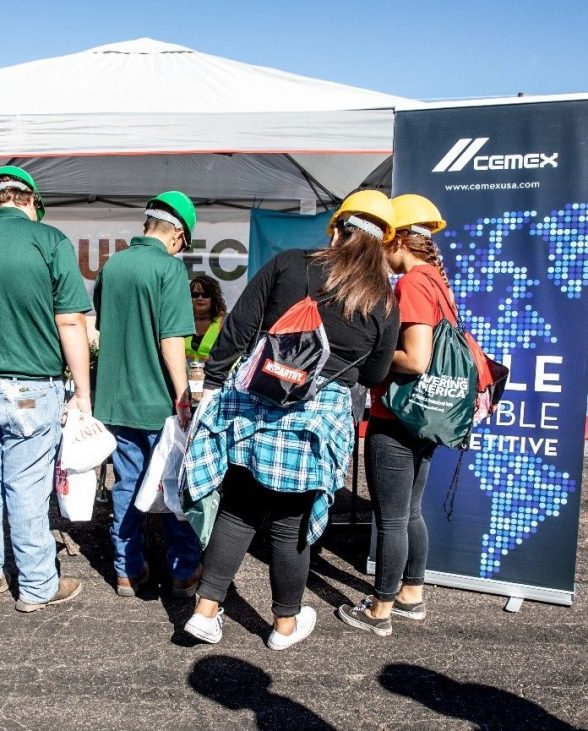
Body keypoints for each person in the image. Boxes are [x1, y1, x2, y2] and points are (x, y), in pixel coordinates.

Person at [182, 190, 401, 650]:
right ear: (383, 243)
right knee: (290, 521)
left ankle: (205, 612)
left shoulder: (290, 263)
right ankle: (284, 625)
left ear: (336, 228)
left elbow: (239, 326)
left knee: (238, 506)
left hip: (257, 396)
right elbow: (376, 372)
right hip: (317, 416)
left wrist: (214, 383)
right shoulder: (382, 299)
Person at [0, 165, 92, 612]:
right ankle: (36, 587)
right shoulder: (48, 240)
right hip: (32, 387)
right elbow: (70, 321)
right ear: (29, 201)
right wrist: (83, 393)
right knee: (27, 489)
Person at [337, 193, 450, 637]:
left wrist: (375, 356)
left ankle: (379, 611)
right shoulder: (437, 280)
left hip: (396, 416)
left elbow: (417, 358)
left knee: (390, 519)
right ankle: (410, 595)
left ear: (398, 238)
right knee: (410, 512)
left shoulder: (414, 283)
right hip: (424, 417)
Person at [93, 191, 203, 598]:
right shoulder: (169, 269)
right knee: (172, 484)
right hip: (157, 403)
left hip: (115, 401)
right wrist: (183, 396)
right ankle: (183, 571)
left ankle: (127, 570)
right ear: (177, 233)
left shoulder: (113, 266)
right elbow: (171, 340)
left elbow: (106, 327)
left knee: (126, 483)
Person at [186, 274, 227, 362]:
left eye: (206, 295)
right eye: (195, 295)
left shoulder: (225, 321)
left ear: (214, 297)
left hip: (213, 375)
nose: (200, 298)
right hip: (182, 374)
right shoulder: (180, 320)